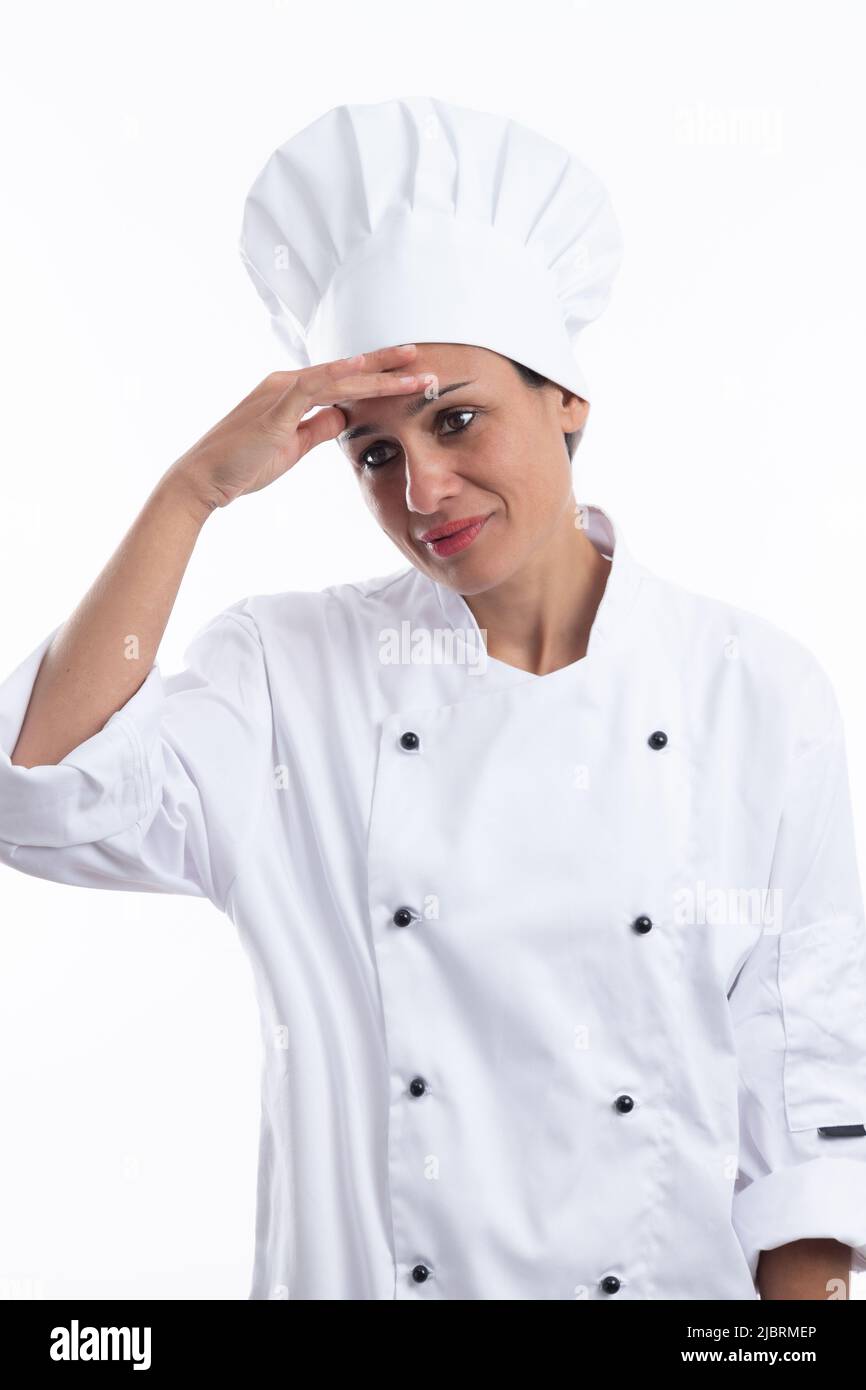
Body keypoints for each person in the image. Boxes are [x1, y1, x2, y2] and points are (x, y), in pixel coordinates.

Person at [1, 95, 865, 1302]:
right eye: (374, 452)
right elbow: (38, 793)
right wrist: (191, 490)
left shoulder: (752, 688)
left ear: (566, 399)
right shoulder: (287, 674)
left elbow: (806, 1070)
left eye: (458, 419)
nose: (424, 488)